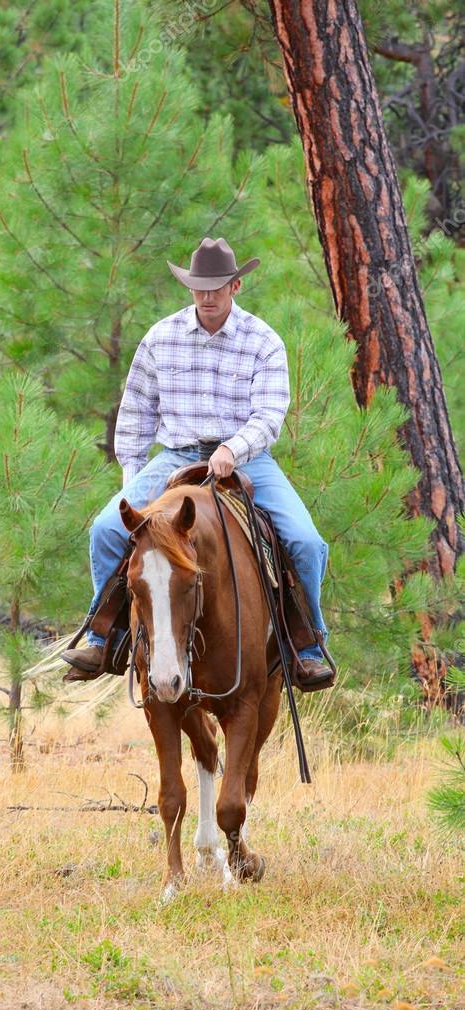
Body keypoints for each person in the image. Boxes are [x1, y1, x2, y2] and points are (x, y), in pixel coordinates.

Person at [62, 237, 335, 690]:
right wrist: (132, 487)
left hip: (248, 459)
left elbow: (269, 415)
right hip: (176, 454)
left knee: (306, 542)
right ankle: (103, 633)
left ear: (236, 285)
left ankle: (307, 645)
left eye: (217, 287)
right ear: (189, 288)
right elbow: (135, 415)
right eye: (199, 287)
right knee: (106, 529)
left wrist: (233, 448)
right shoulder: (161, 337)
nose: (207, 296)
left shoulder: (263, 341)